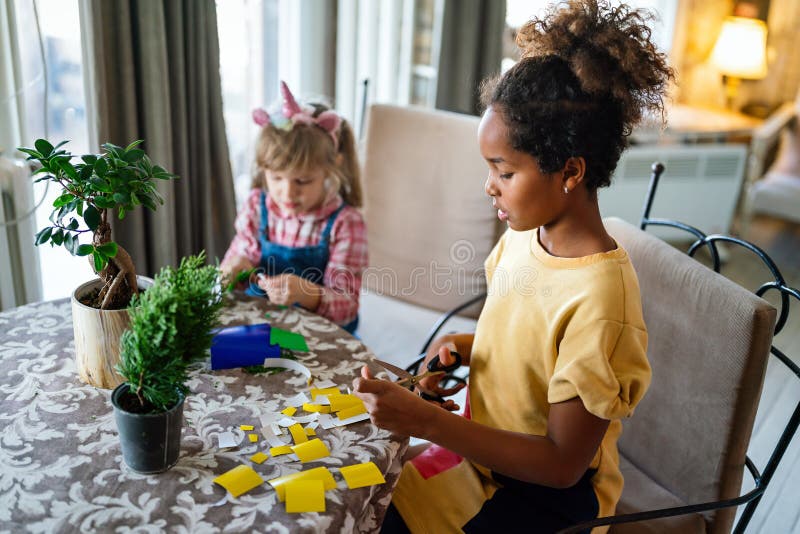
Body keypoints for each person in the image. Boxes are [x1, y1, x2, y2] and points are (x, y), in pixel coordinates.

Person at [353, 1, 674, 531]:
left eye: (503, 171)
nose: (489, 186)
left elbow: (562, 464)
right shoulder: (527, 237)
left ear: (570, 171)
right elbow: (525, 344)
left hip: (541, 498)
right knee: (362, 503)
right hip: (483, 454)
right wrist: (468, 346)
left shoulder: (601, 304)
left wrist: (428, 422)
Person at [221, 81, 367, 334]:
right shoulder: (257, 206)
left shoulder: (345, 223)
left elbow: (347, 307)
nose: (287, 193)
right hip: (267, 327)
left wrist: (309, 295)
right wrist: (231, 271)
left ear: (333, 167)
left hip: (321, 335)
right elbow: (239, 263)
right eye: (276, 178)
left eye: (303, 180)